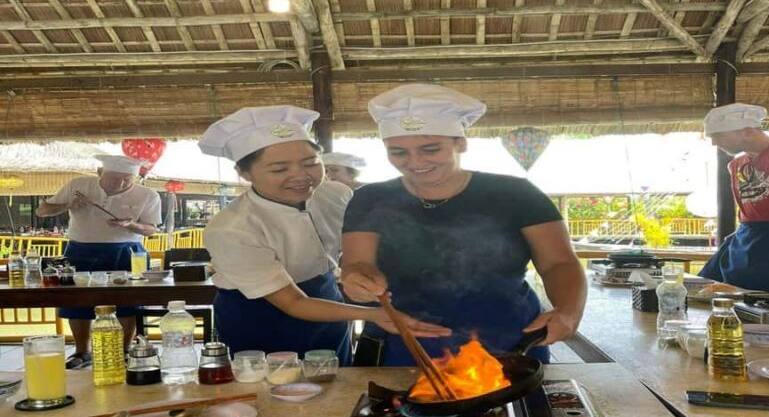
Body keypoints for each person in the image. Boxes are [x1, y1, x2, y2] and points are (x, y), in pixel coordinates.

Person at [340, 83, 587, 367]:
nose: (415, 162)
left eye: (430, 149)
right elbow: (358, 264)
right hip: (404, 337)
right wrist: (357, 280)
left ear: (461, 142)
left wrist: (568, 311)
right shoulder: (370, 198)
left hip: (509, 341)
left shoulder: (516, 193)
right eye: (398, 153)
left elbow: (558, 263)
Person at [198, 105, 451, 363]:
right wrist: (372, 314)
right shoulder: (232, 228)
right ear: (244, 173)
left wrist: (362, 273)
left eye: (310, 163)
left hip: (328, 299)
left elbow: (356, 248)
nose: (300, 176)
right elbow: (293, 303)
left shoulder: (334, 194)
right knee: (276, 390)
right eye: (279, 169)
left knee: (338, 380)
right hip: (260, 314)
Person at [36, 155, 161, 369]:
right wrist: (69, 204)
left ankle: (123, 350)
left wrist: (132, 225)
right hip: (80, 249)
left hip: (126, 251)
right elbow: (42, 211)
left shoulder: (148, 195)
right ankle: (82, 351)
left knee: (127, 302)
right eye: (114, 178)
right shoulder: (78, 185)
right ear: (99, 172)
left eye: (127, 180)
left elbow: (152, 229)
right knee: (77, 301)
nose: (120, 184)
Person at [700, 103, 769, 292]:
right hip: (747, 241)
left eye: (718, 135)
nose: (714, 143)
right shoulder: (736, 165)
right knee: (706, 292)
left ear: (747, 131)